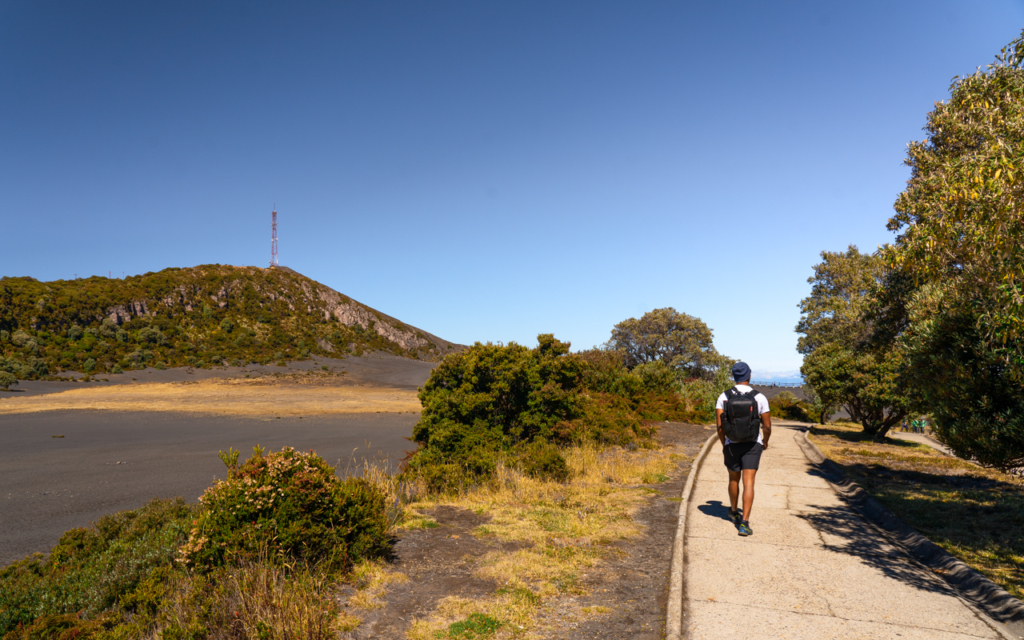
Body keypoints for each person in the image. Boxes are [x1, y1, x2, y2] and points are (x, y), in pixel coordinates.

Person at [715, 362, 772, 537]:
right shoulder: (760, 397)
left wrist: (725, 443)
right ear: (749, 375)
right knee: (749, 482)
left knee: (733, 479)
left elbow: (719, 426)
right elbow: (767, 426)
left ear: (733, 376)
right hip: (752, 444)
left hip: (731, 444)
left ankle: (733, 512)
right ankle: (744, 524)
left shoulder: (723, 397)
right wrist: (765, 442)